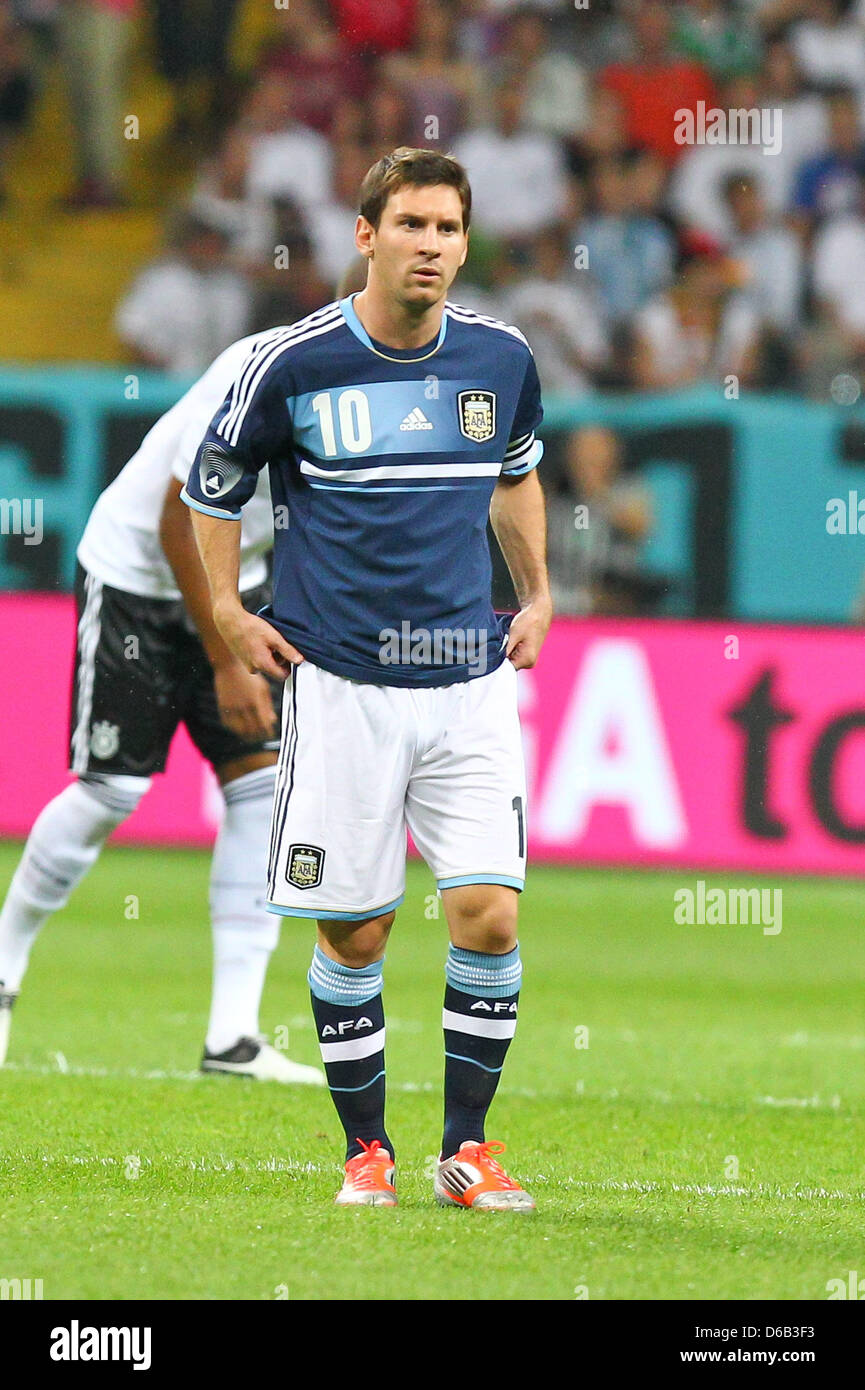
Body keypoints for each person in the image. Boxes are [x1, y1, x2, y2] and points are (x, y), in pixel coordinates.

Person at [183, 147, 552, 1211]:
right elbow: (212, 488)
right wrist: (223, 610)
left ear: (464, 242)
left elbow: (517, 478)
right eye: (410, 225)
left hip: (470, 680)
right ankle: (365, 1151)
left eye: (447, 228)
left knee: (488, 913)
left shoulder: (498, 360)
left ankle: (467, 1149)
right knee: (358, 931)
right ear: (365, 234)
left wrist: (535, 592)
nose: (429, 245)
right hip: (341, 684)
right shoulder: (290, 363)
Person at [0, 336, 325, 1087]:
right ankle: (6, 965)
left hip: (235, 588)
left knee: (262, 788)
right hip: (138, 581)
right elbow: (180, 521)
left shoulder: (379, 394)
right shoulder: (265, 374)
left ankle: (233, 1039)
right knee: (113, 790)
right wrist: (223, 663)